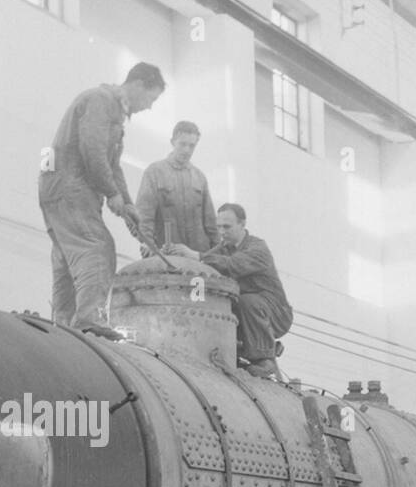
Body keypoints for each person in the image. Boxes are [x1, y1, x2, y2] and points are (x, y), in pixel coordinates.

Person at [39, 62, 166, 330]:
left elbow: (113, 165)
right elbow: (93, 149)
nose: (150, 106)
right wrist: (111, 193)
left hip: (59, 187)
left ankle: (62, 323)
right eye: (151, 98)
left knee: (67, 256)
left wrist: (128, 205)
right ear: (139, 84)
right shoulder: (101, 100)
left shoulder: (114, 113)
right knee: (98, 247)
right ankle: (89, 319)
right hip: (69, 185)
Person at [168, 203, 293, 379]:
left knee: (247, 301)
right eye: (219, 227)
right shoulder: (223, 248)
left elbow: (233, 265)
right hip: (248, 312)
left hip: (275, 312)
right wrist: (172, 256)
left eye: (227, 226)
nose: (222, 231)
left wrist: (196, 256)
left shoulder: (258, 248)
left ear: (242, 224)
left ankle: (264, 359)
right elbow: (203, 267)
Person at [136, 121, 218, 255]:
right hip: (166, 255)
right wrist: (149, 245)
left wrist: (217, 256)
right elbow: (144, 217)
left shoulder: (199, 177)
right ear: (173, 142)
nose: (187, 150)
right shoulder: (154, 172)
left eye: (192, 146)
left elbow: (211, 223)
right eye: (183, 144)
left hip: (196, 257)